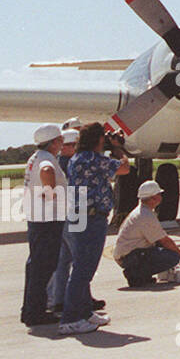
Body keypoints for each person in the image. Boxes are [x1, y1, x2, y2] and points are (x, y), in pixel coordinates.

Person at [60, 122, 129, 335]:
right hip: (91, 218)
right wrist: (118, 148)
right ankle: (70, 319)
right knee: (84, 269)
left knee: (81, 267)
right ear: (99, 139)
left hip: (79, 215)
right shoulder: (93, 159)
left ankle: (84, 312)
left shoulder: (76, 158)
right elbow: (124, 168)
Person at [47, 128, 105, 316]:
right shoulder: (70, 163)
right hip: (73, 215)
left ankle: (59, 300)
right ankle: (80, 303)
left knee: (65, 260)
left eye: (74, 144)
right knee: (82, 260)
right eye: (70, 144)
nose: (73, 147)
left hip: (63, 215)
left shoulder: (61, 163)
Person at [20, 124, 67, 327]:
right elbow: (46, 171)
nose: (62, 143)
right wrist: (52, 193)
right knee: (44, 266)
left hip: (37, 218)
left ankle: (29, 309)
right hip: (48, 220)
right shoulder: (46, 160)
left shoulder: (35, 157)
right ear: (54, 142)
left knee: (35, 266)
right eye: (60, 140)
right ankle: (35, 313)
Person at [114, 180, 180, 286]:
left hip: (129, 255)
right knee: (173, 257)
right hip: (130, 257)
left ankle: (143, 276)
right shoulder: (145, 215)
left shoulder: (142, 211)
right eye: (159, 194)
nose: (161, 196)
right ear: (154, 198)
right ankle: (135, 274)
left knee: (161, 250)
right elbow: (164, 240)